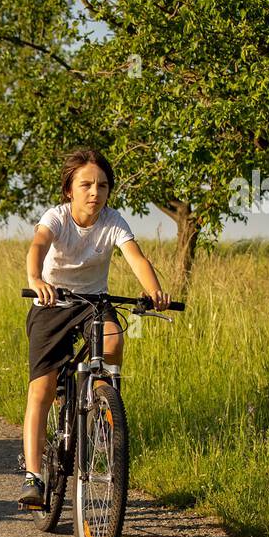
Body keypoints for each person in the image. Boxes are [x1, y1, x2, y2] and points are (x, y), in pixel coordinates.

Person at [20, 148, 170, 507]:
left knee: (114, 337)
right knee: (41, 389)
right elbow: (38, 245)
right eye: (86, 184)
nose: (95, 192)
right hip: (53, 303)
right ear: (69, 190)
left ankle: (102, 410)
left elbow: (136, 256)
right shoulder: (56, 217)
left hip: (94, 303)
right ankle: (34, 476)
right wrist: (36, 278)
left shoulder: (113, 220)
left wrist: (154, 292)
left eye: (102, 185)